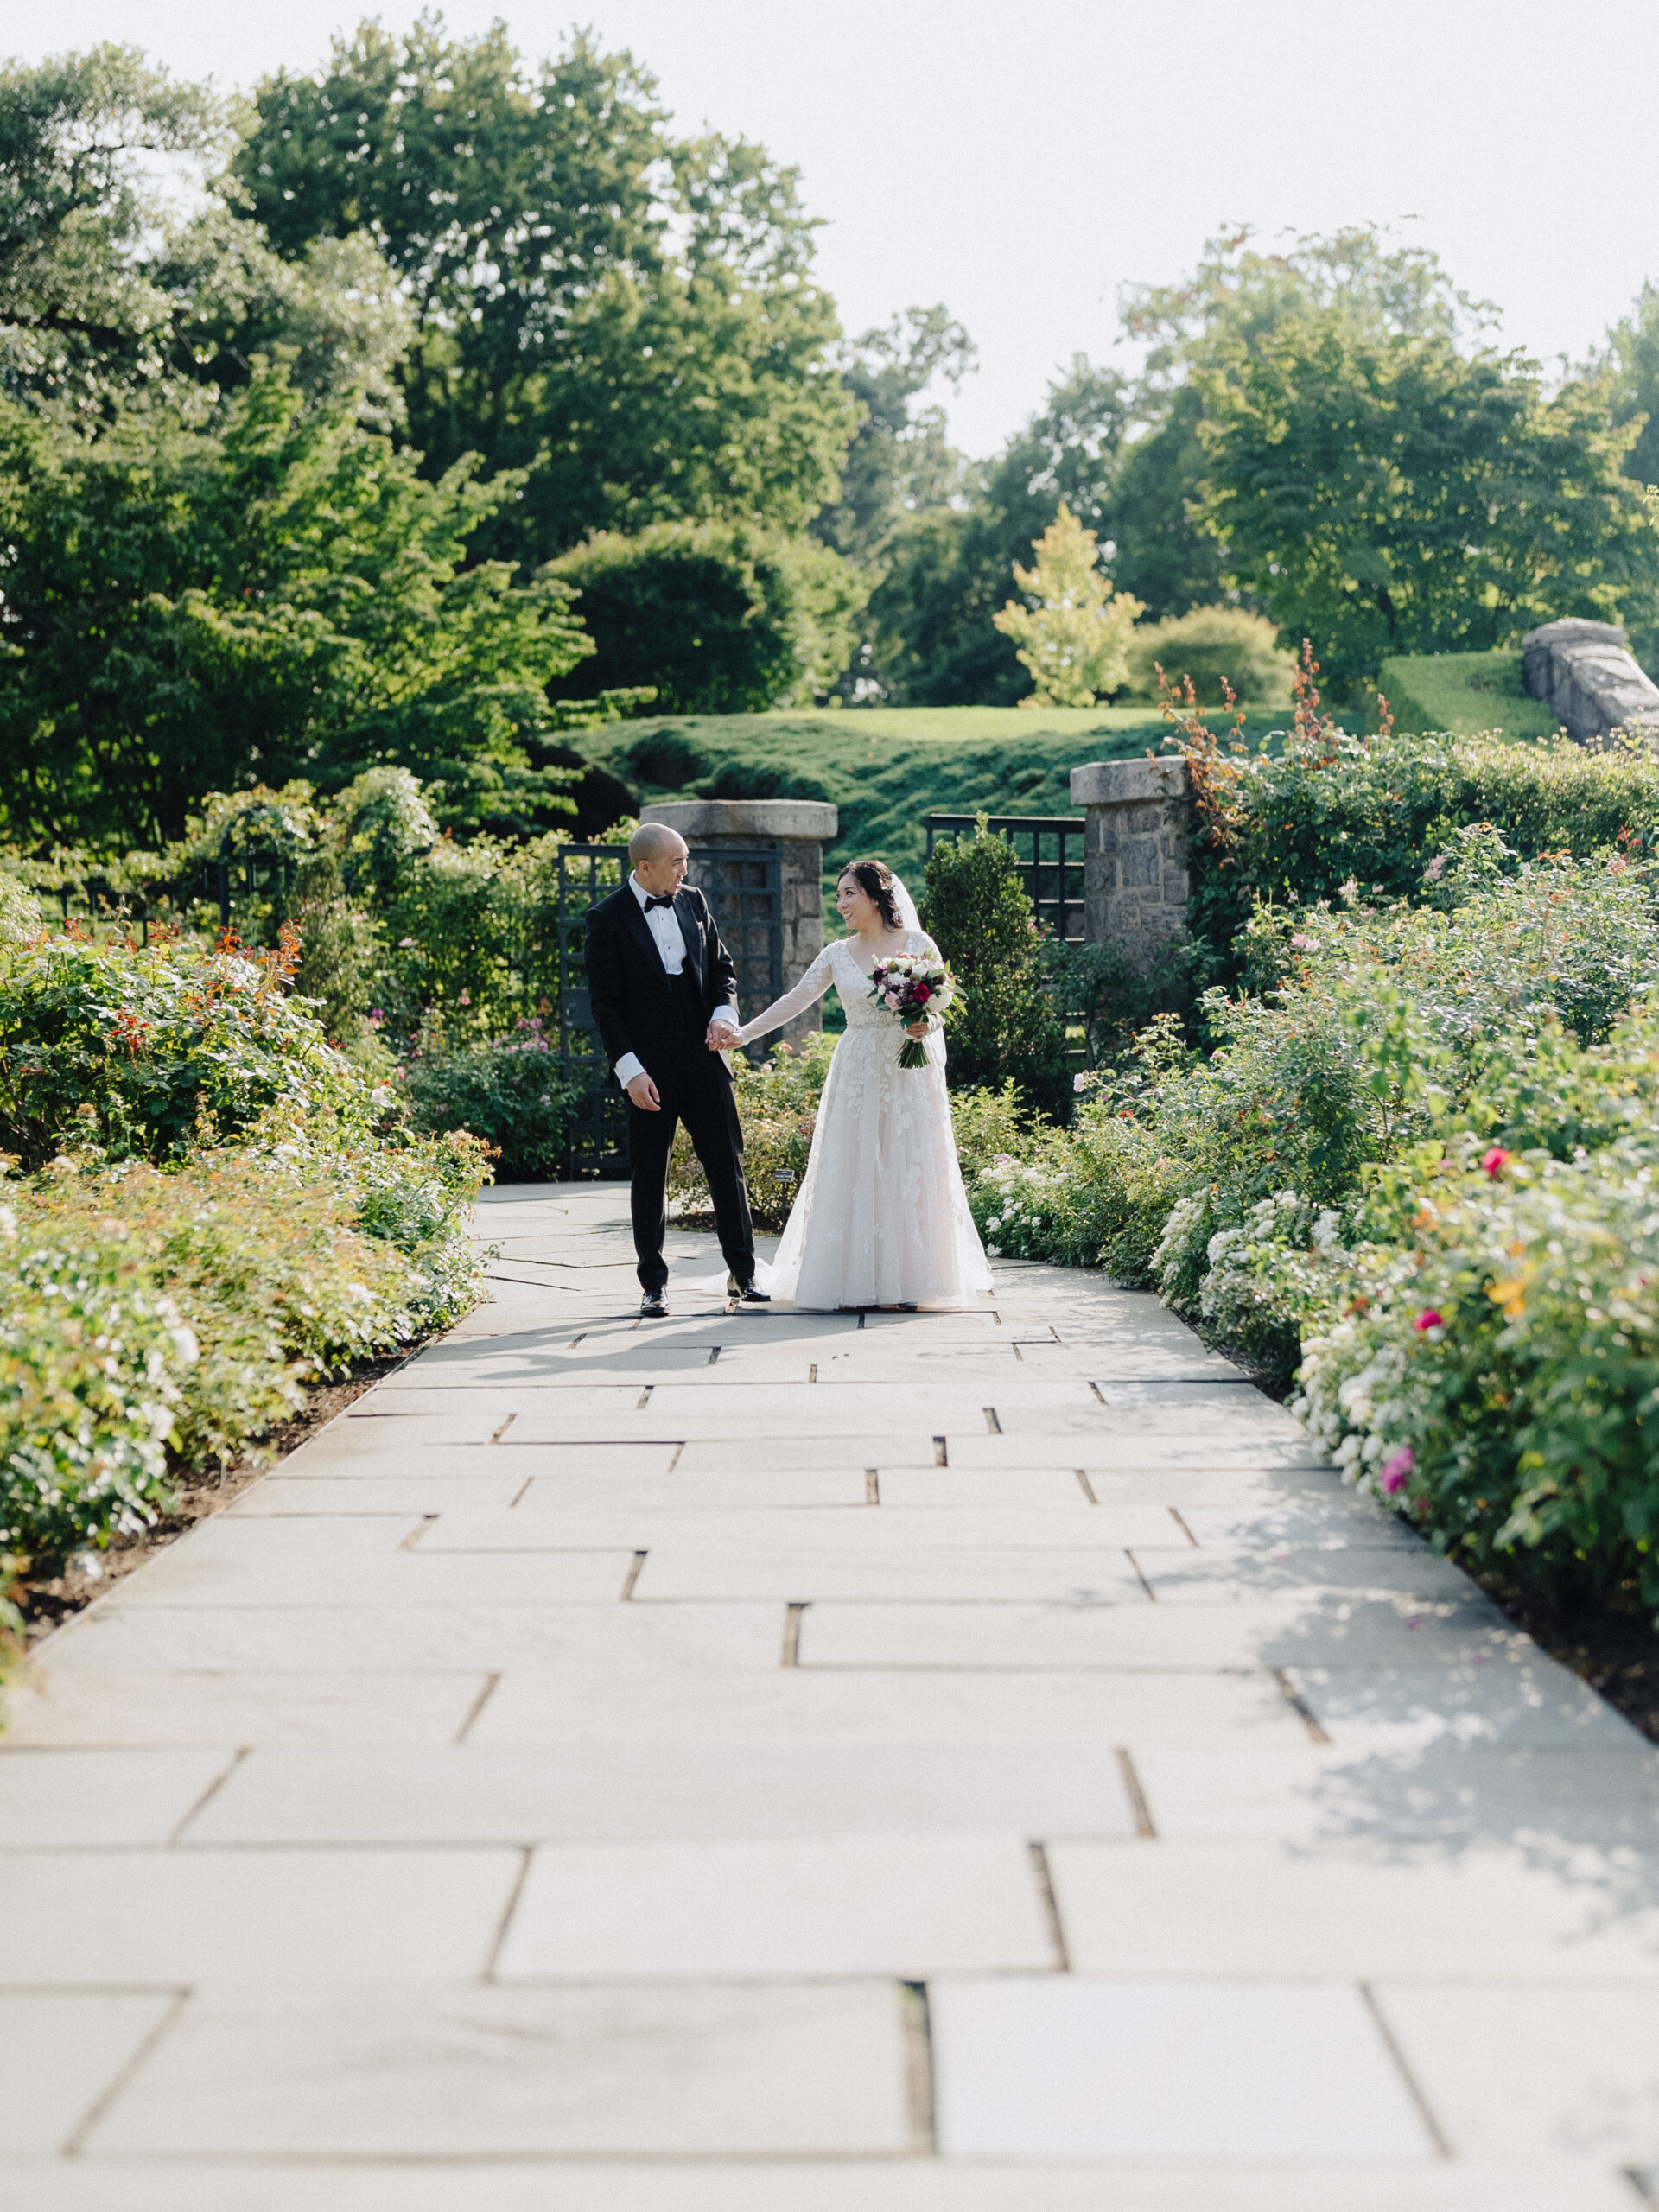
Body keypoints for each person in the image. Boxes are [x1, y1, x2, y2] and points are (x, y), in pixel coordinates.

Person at [732, 858, 993, 1310]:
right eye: (838, 896)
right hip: (858, 1067)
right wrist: (743, 1034)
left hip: (908, 1068)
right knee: (857, 1165)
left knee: (908, 1160)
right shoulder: (836, 953)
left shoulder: (917, 943)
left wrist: (923, 1028)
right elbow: (797, 998)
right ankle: (856, 1280)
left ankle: (914, 1282)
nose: (841, 904)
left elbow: (938, 1007)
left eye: (848, 894)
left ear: (875, 896)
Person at [583, 823, 767, 1318]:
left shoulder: (694, 901)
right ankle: (653, 1285)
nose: (685, 871)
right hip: (648, 1071)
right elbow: (605, 1006)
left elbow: (722, 970)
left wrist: (723, 1015)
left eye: (686, 861)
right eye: (676, 862)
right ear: (644, 867)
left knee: (727, 1167)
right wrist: (629, 1070)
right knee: (650, 1176)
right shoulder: (606, 919)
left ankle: (745, 1275)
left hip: (703, 1058)